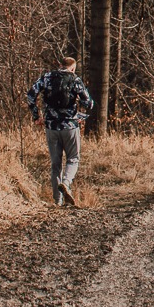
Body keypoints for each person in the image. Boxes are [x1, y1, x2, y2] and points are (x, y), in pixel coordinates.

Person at [27, 56, 93, 207]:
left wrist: (37, 116)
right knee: (73, 158)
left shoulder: (47, 78)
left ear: (60, 65)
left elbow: (30, 96)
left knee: (55, 164)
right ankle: (66, 183)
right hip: (70, 126)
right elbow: (89, 103)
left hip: (51, 126)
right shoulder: (74, 79)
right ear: (72, 68)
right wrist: (79, 108)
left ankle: (58, 201)